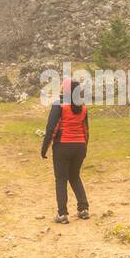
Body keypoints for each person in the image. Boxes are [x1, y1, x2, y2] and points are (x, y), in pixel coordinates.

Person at [40, 76, 89, 223]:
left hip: (63, 146)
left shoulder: (59, 105)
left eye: (62, 86)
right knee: (74, 176)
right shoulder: (83, 107)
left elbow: (51, 129)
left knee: (61, 179)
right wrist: (84, 147)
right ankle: (83, 209)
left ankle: (62, 214)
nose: (60, 88)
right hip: (80, 146)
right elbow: (86, 130)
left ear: (66, 90)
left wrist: (44, 148)